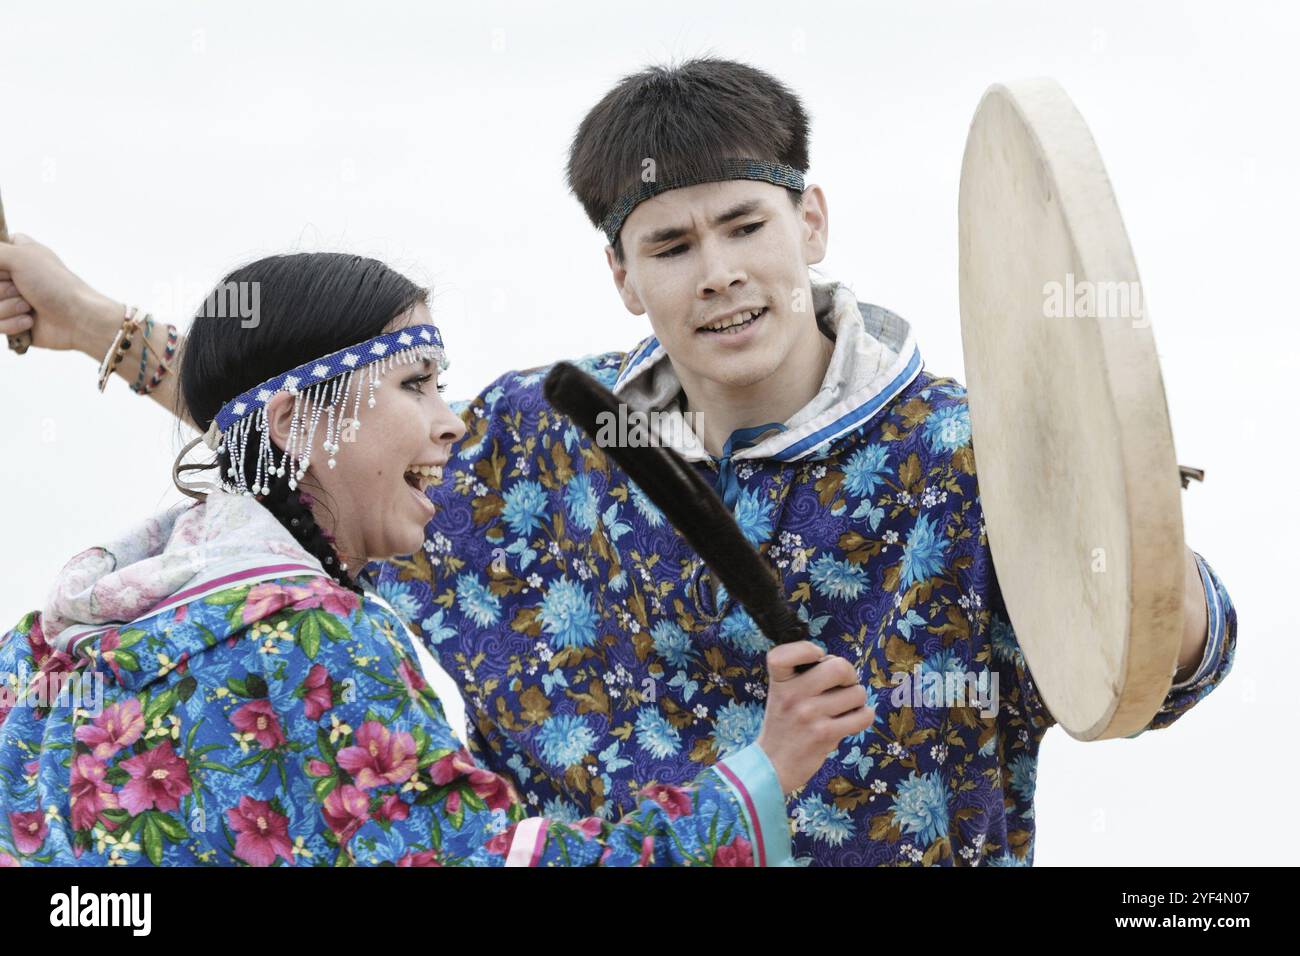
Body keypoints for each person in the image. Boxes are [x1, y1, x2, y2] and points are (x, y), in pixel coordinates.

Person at [0, 58, 1238, 867]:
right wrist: (90, 322)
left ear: (808, 220)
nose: (719, 272)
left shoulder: (959, 453)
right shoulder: (544, 437)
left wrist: (1120, 484)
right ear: (621, 272)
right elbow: (318, 438)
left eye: (746, 224)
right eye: (671, 241)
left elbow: (1152, 661)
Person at [0, 252, 875, 867]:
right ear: (294, 425)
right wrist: (765, 767)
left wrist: (86, 319)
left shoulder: (53, 647)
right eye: (416, 384)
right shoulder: (310, 640)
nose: (452, 419)